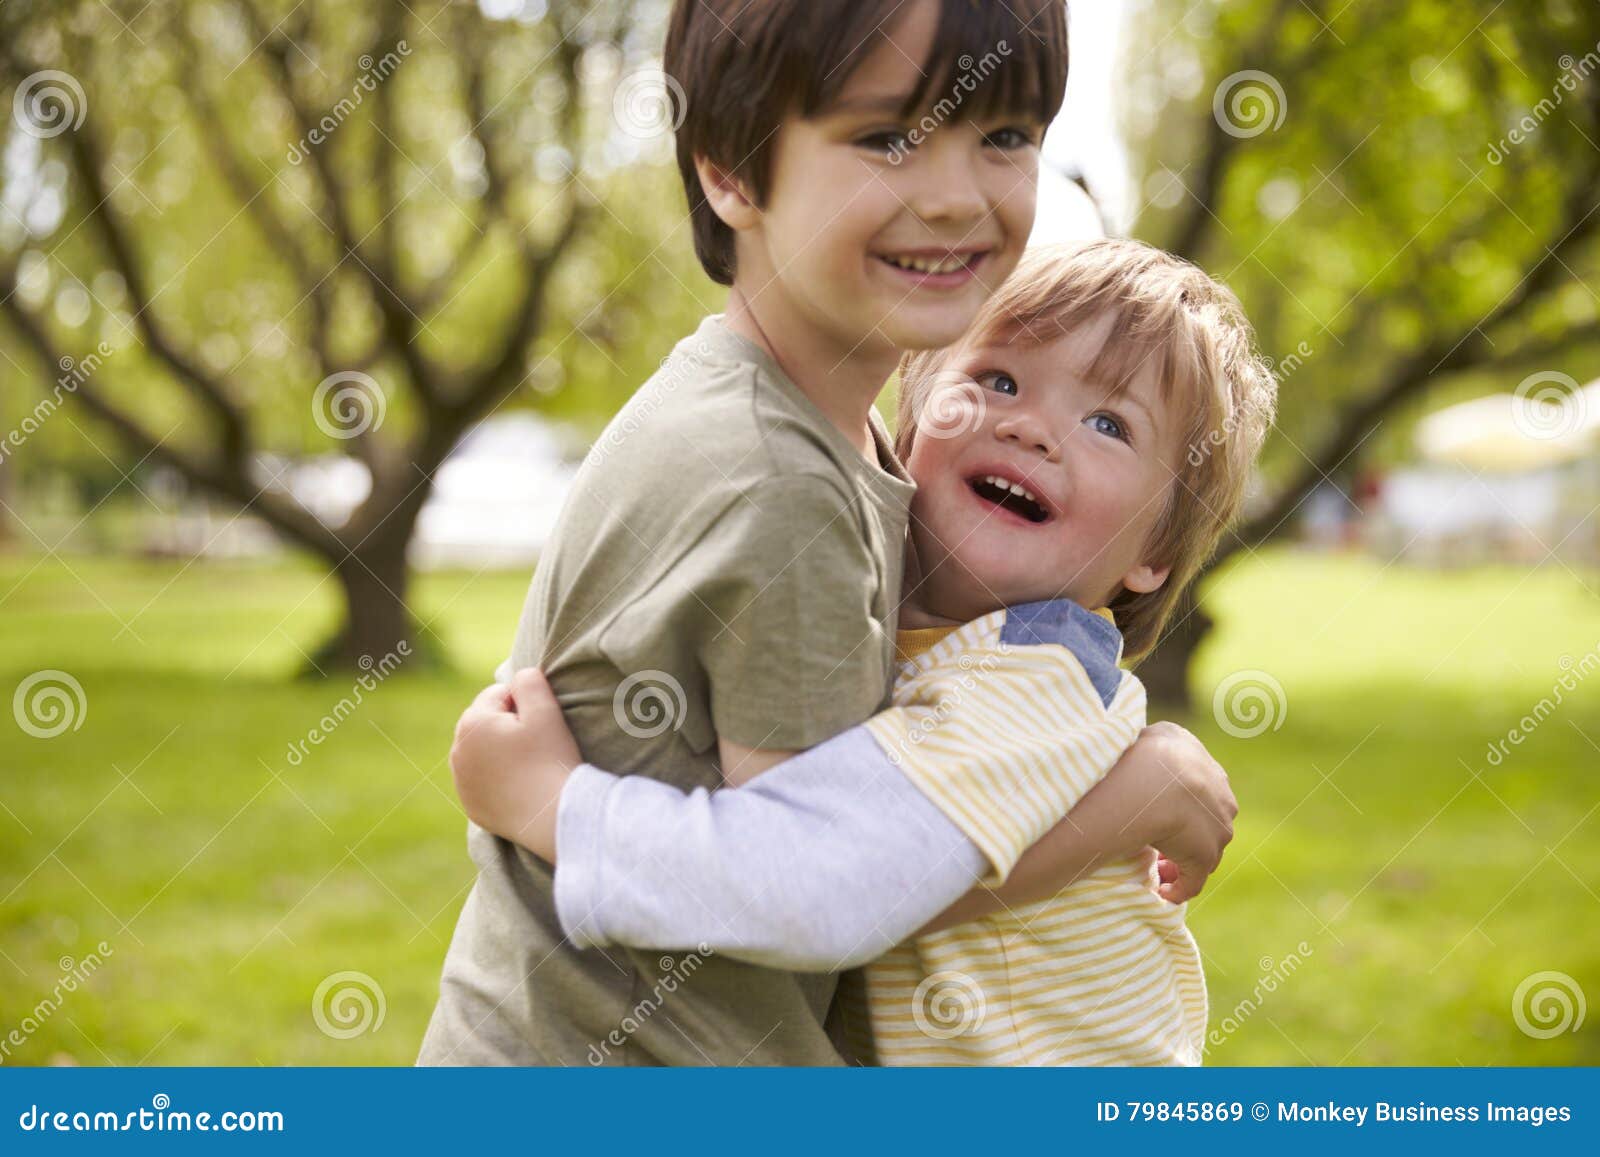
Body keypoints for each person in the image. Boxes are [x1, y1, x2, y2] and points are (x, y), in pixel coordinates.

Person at [451, 239, 1277, 1065]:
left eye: (1108, 424)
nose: (1033, 428)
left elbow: (826, 888)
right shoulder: (868, 592)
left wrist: (552, 806)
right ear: (912, 419)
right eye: (998, 380)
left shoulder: (1039, 673)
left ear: (1155, 553)